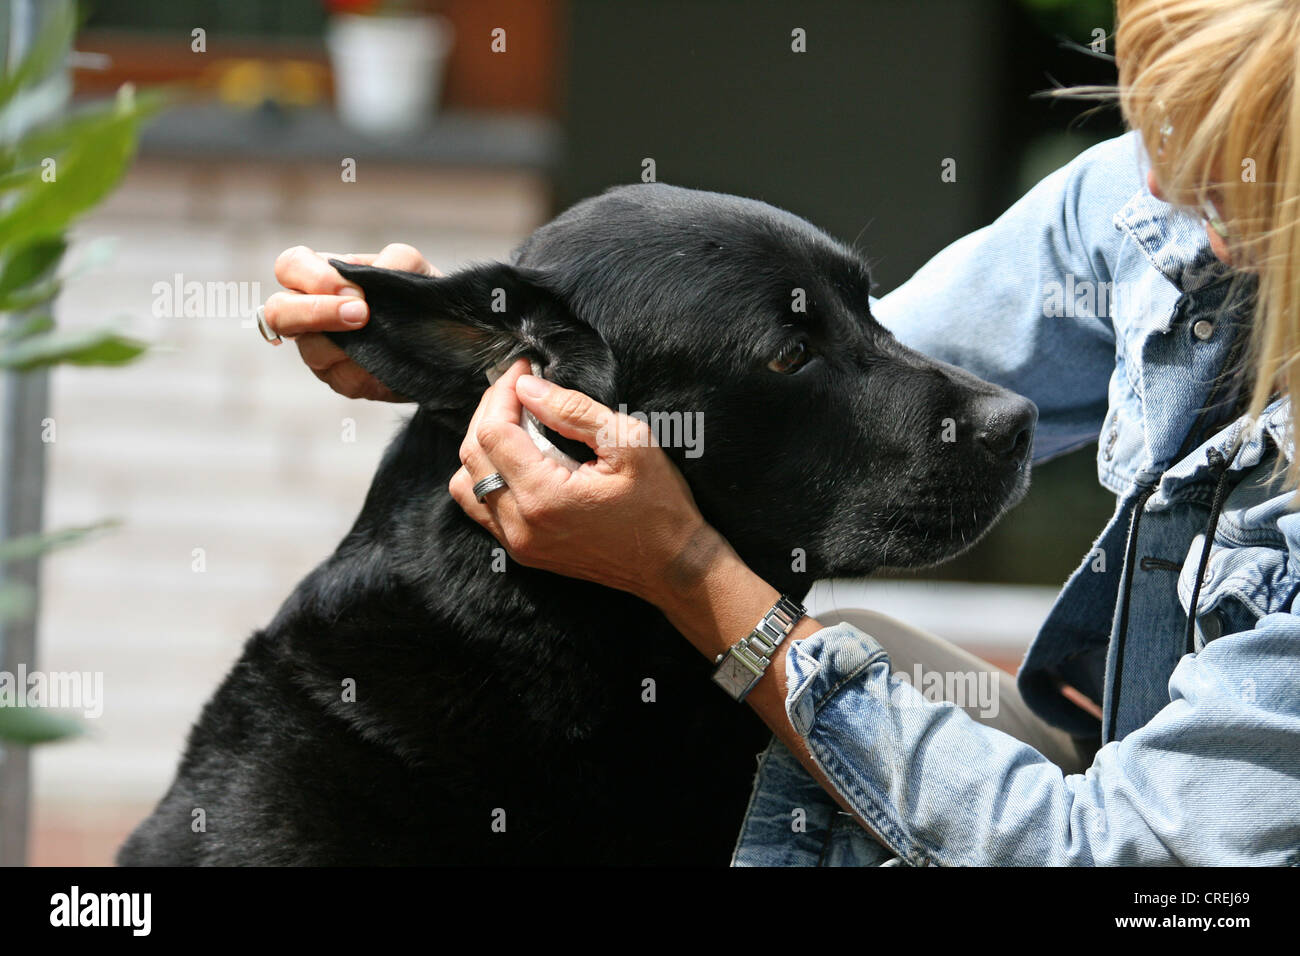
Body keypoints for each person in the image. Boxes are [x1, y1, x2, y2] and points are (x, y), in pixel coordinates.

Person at [258, 0, 1300, 864]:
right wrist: (486, 355)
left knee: (814, 725)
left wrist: (694, 576)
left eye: (1221, 160)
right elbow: (866, 371)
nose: (1156, 186)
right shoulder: (1147, 199)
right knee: (861, 667)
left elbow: (1148, 866)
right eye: (1155, 128)